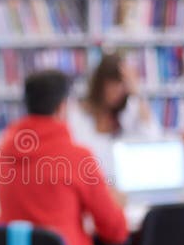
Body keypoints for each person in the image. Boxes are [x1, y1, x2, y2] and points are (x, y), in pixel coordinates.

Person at [0, 69, 128, 245]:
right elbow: (115, 230)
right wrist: (117, 205)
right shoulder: (77, 157)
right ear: (63, 107)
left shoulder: (2, 152)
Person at [68, 53, 161, 181]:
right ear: (100, 84)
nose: (118, 90)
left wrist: (137, 93)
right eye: (113, 84)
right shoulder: (78, 114)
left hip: (120, 185)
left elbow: (153, 137)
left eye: (123, 85)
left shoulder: (128, 113)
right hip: (89, 184)